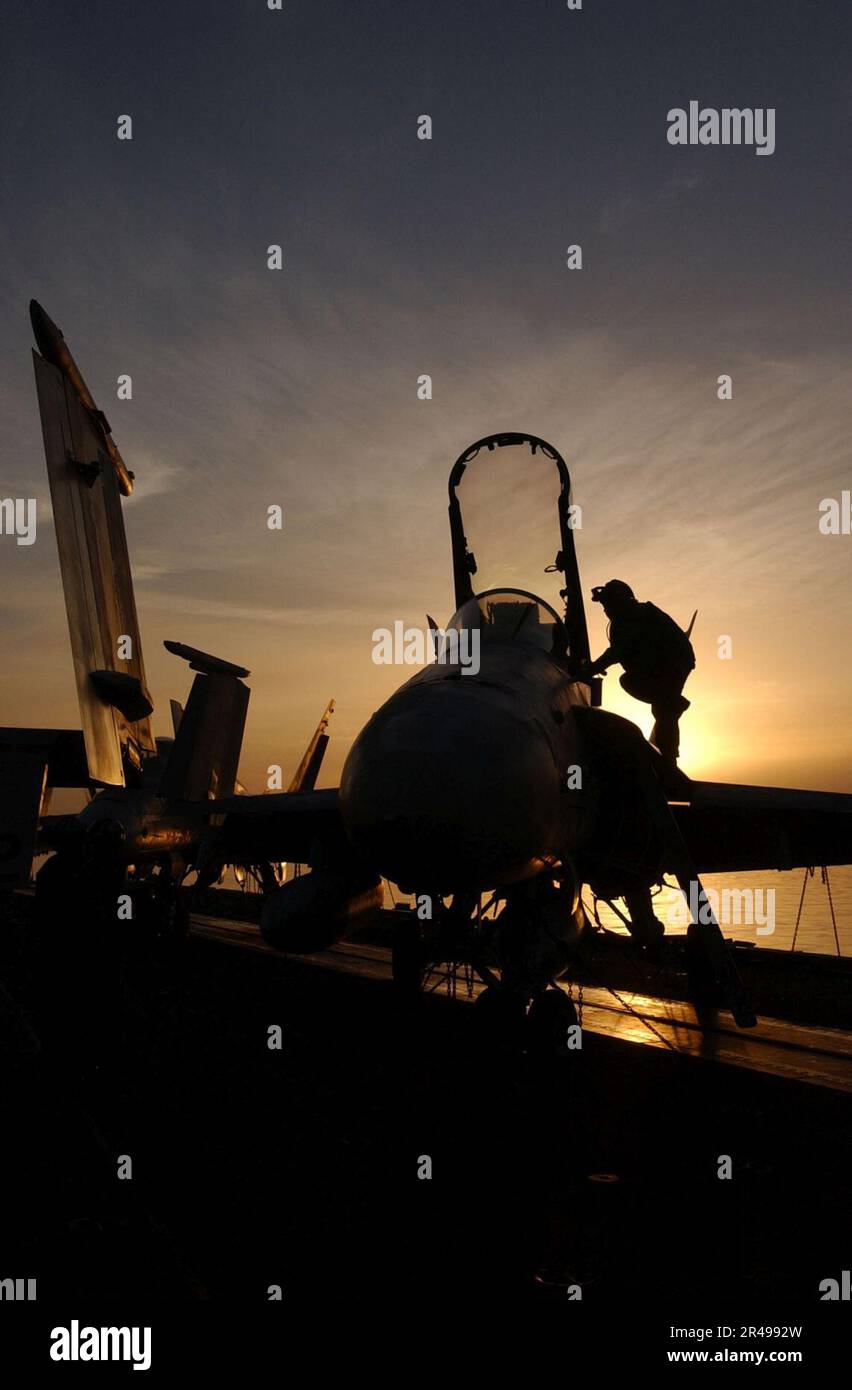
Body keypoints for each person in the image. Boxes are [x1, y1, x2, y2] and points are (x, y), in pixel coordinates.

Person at [587, 580, 695, 765]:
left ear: (619, 600)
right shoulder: (634, 615)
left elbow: (618, 651)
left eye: (608, 603)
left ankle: (668, 759)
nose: (605, 609)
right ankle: (669, 755)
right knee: (663, 709)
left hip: (672, 666)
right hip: (667, 665)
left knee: (660, 706)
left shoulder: (634, 615)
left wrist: (593, 668)